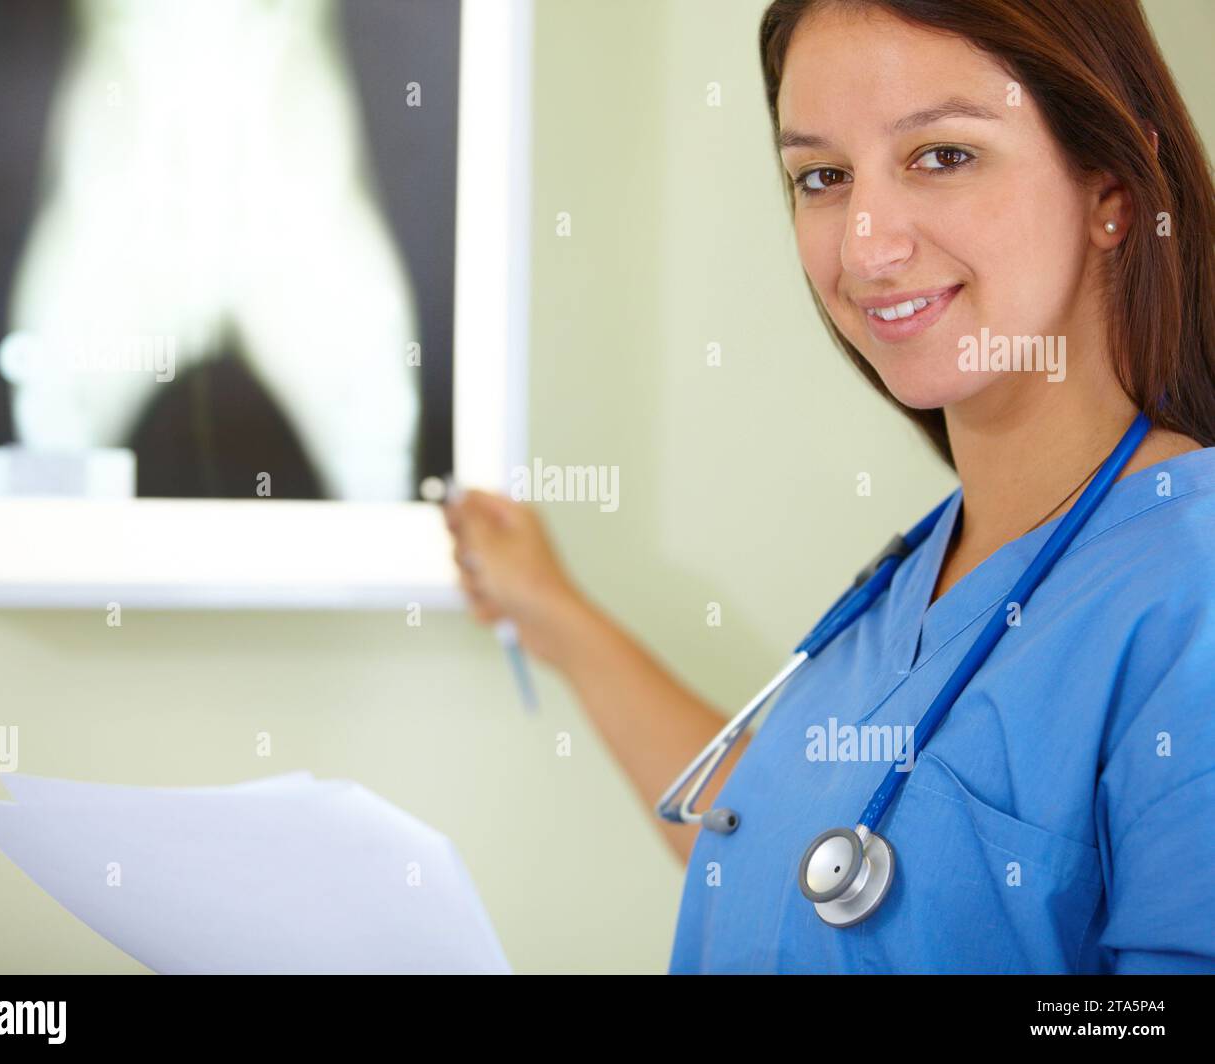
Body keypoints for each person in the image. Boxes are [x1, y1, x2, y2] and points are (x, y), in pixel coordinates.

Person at [444, 0, 1215, 974]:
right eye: (822, 176)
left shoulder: (1189, 592)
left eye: (941, 155)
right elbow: (788, 859)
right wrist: (554, 613)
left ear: (1111, 188)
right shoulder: (908, 583)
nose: (864, 245)